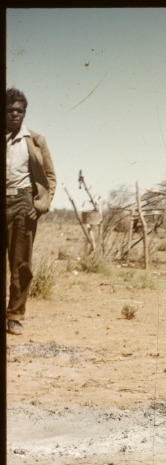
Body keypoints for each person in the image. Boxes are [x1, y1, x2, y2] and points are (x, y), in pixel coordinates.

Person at [5, 87, 56, 335]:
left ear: (25, 113)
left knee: (21, 264)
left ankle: (15, 315)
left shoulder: (35, 141)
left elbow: (49, 176)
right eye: (11, 110)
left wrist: (41, 205)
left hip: (23, 204)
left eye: (20, 111)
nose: (15, 114)